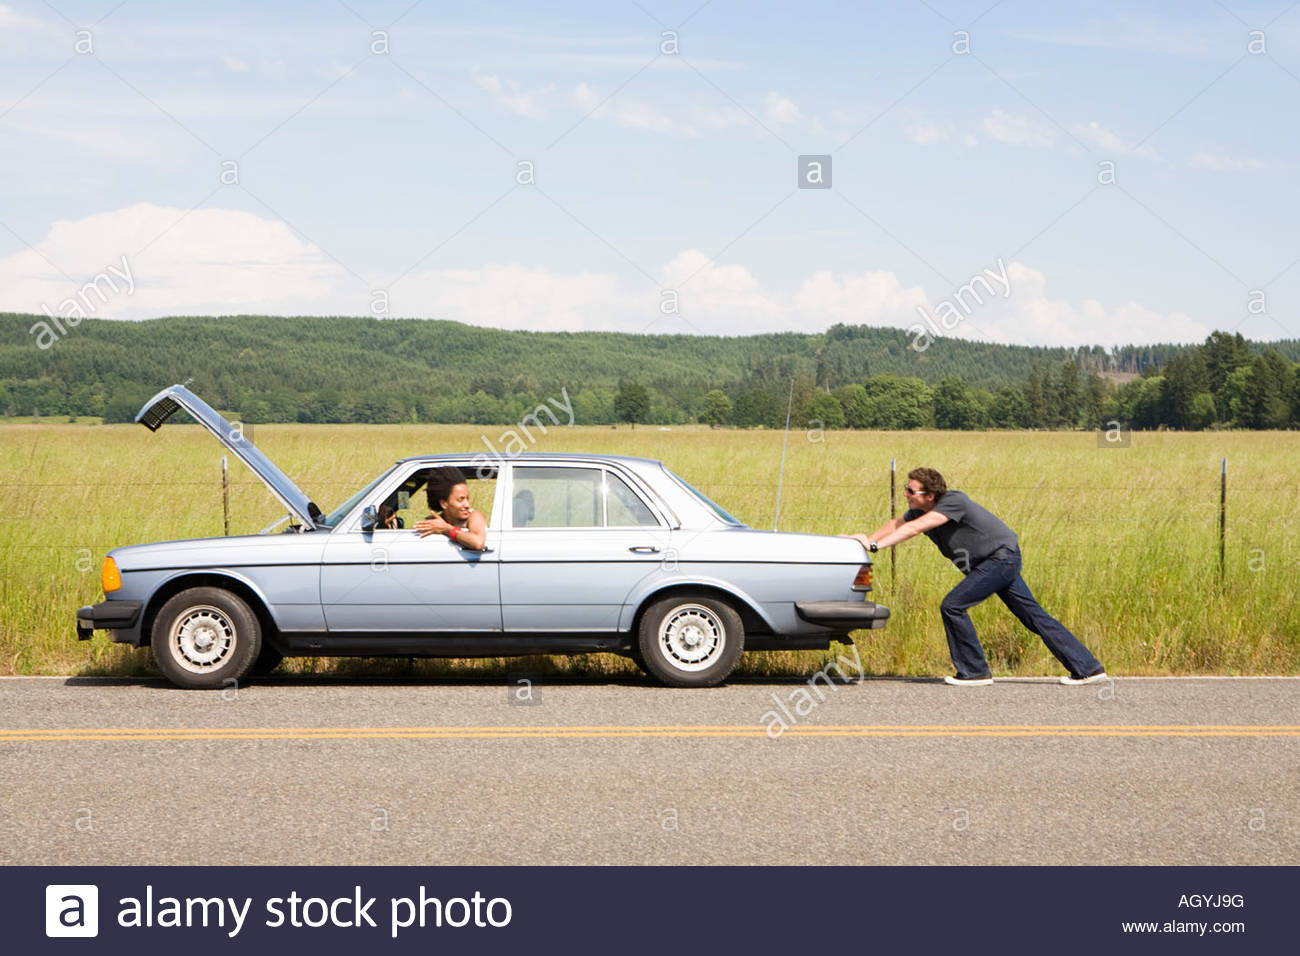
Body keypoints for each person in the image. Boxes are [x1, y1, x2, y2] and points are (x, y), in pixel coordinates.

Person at [846, 467, 1106, 687]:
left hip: (1000, 559)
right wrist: (867, 540)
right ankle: (1088, 667)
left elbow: (914, 529)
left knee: (952, 605)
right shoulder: (917, 510)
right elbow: (898, 524)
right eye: (906, 488)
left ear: (931, 495)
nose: (906, 494)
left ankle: (974, 671)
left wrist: (875, 547)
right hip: (991, 563)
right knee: (1033, 616)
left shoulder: (953, 502)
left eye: (911, 491)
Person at [415, 466, 487, 551]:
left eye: (467, 498)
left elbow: (478, 543)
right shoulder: (435, 523)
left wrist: (447, 529)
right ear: (444, 503)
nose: (467, 504)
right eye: (461, 500)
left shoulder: (474, 516)